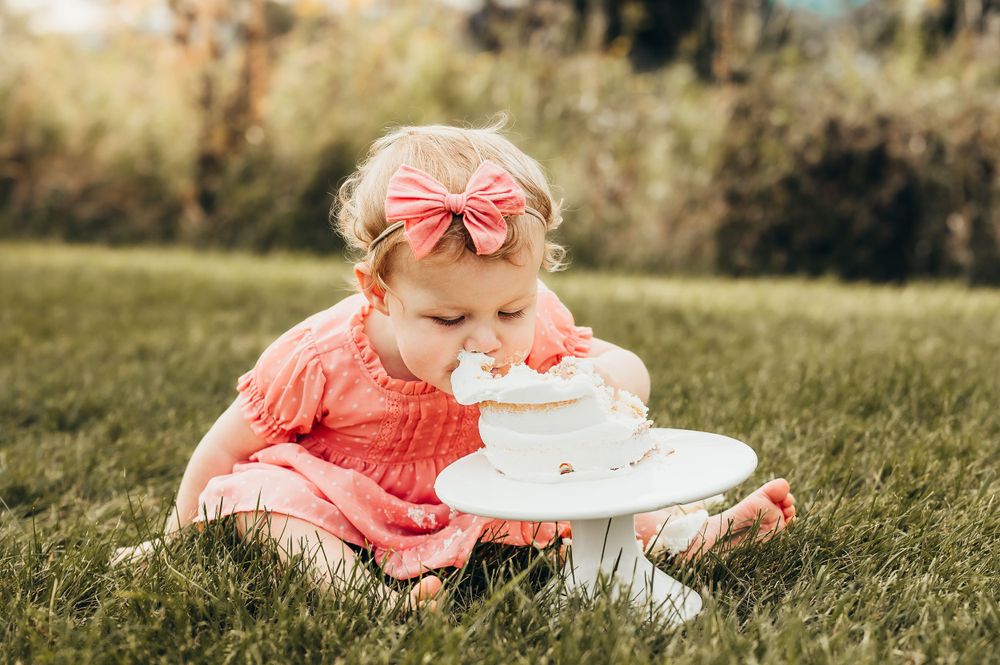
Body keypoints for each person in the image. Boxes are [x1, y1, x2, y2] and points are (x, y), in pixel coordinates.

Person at [113, 121, 795, 609]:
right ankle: (370, 599)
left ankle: (690, 535)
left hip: (483, 490)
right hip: (353, 500)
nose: (487, 341)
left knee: (578, 483)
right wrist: (176, 537)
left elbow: (623, 367)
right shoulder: (318, 355)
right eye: (448, 320)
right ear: (379, 293)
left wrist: (591, 388)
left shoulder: (534, 320)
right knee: (260, 496)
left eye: (509, 311)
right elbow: (226, 447)